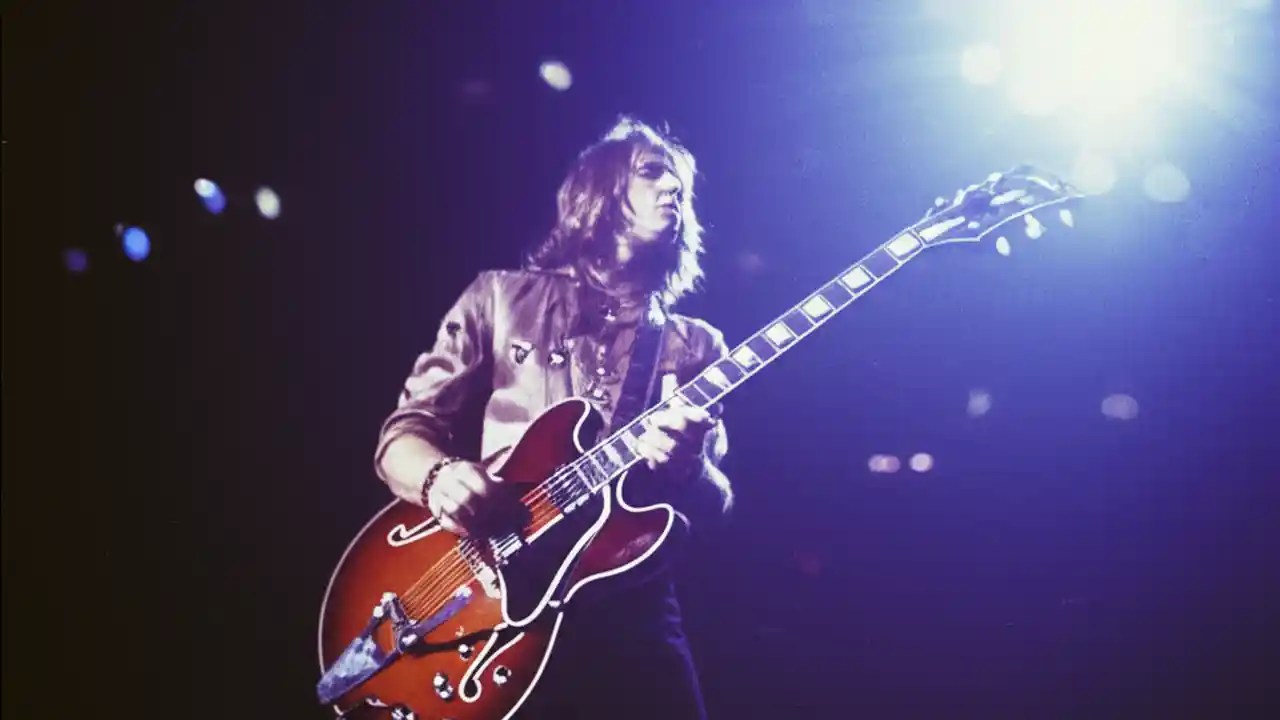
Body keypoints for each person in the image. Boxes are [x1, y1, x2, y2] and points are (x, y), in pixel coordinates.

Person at [374, 116, 733, 719]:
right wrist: (440, 479)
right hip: (496, 592)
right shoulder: (499, 297)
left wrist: (689, 464)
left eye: (680, 184)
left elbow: (717, 498)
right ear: (599, 192)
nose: (673, 189)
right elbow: (402, 436)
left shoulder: (694, 345)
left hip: (630, 606)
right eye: (652, 173)